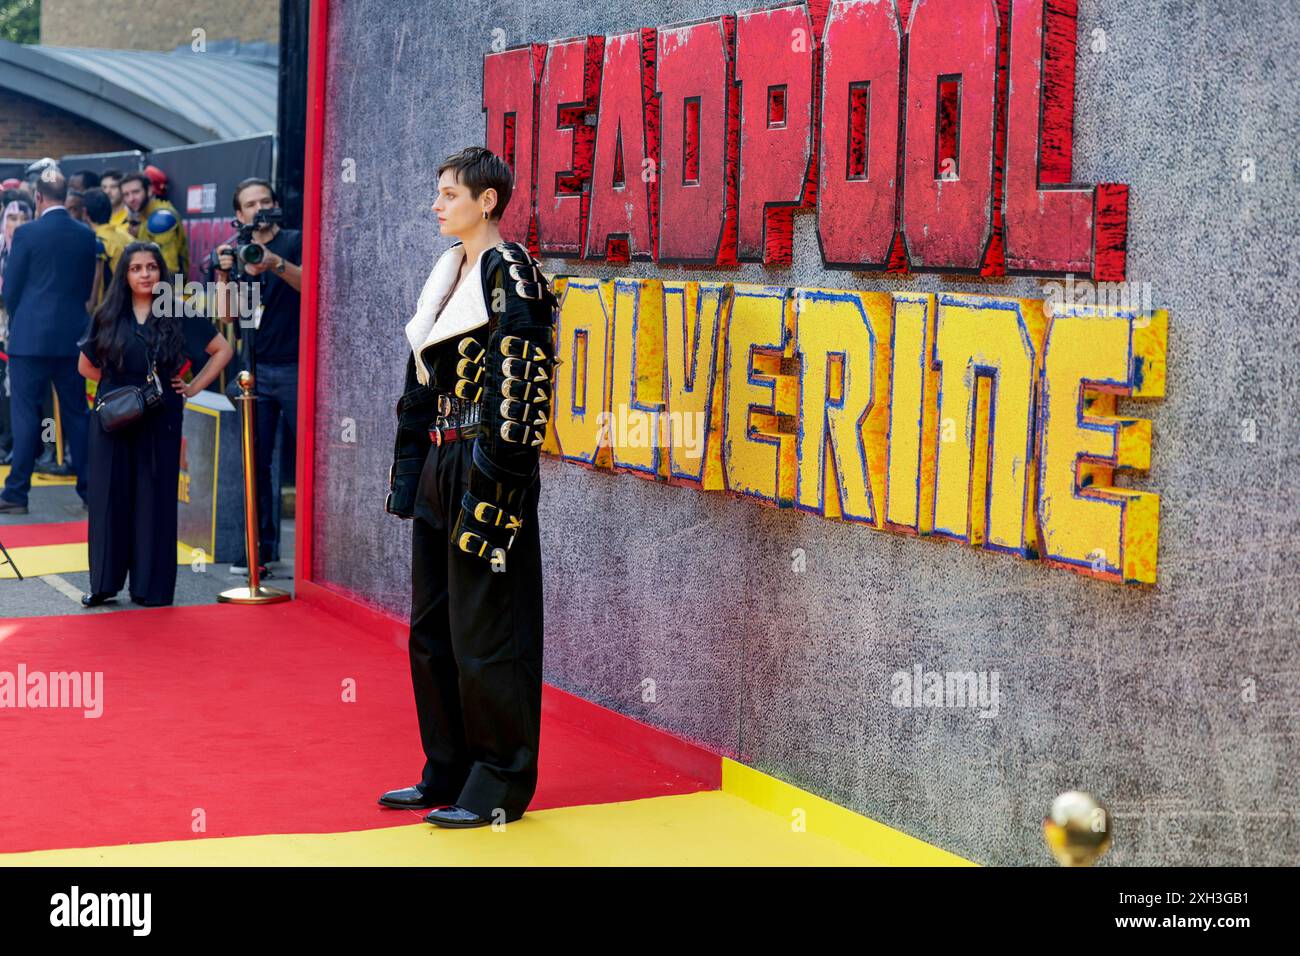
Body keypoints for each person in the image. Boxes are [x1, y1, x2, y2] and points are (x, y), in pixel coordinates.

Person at [378, 146, 558, 829]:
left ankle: (499, 784)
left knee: (488, 628)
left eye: (449, 193)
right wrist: (408, 478)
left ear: (487, 200)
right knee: (433, 630)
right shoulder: (447, 271)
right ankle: (446, 769)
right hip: (439, 461)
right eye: (438, 192)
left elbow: (526, 390)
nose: (437, 203)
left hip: (486, 462)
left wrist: (497, 483)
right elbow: (418, 387)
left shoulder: (509, 270)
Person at [75, 242, 232, 607]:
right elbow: (85, 366)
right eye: (136, 268)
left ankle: (152, 588)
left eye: (151, 267)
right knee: (109, 498)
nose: (145, 274)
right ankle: (104, 584)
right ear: (125, 275)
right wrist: (123, 392)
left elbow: (222, 350)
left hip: (161, 416)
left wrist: (192, 387)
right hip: (113, 419)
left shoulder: (177, 311)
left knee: (155, 498)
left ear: (161, 272)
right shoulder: (109, 313)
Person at [209, 177, 302, 575]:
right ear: (239, 214)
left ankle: (321, 557)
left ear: (276, 205)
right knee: (256, 462)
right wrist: (224, 274)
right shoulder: (235, 251)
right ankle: (258, 549)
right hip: (256, 369)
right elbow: (227, 316)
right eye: (251, 204)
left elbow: (314, 287)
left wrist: (274, 263)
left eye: (266, 201)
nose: (259, 208)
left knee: (312, 460)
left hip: (299, 367)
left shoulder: (296, 241)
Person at [0, 170, 95, 515]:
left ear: (38, 198)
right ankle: (89, 489)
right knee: (76, 414)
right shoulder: (86, 235)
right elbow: (86, 288)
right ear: (66, 193)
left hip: (29, 338)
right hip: (72, 336)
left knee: (26, 414)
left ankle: (16, 494)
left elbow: (10, 288)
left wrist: (21, 316)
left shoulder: (26, 233)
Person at [0, 198, 34, 466]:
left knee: (20, 391)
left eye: (23, 219)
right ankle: (4, 440)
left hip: (24, 329)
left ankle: (26, 446)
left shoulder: (34, 248)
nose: (17, 224)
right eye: (12, 218)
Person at [120, 170, 189, 281]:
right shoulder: (140, 217)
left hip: (169, 291)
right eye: (126, 194)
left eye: (136, 192)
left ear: (149, 190)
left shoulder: (161, 218)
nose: (131, 199)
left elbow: (170, 269)